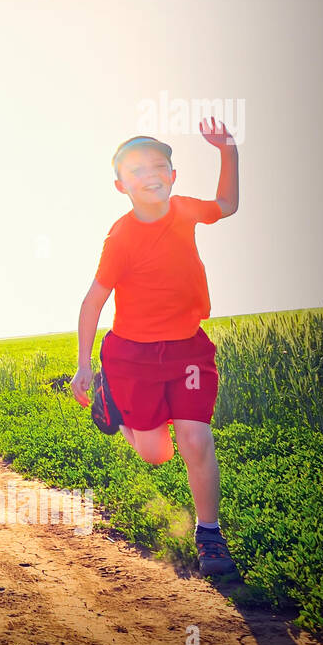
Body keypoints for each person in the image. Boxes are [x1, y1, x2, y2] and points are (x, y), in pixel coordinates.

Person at [69, 119, 240, 577]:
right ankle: (116, 403)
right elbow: (93, 302)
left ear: (173, 175)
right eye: (137, 169)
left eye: (159, 165)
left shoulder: (185, 210)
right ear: (120, 185)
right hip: (132, 358)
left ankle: (209, 535)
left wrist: (229, 150)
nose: (150, 174)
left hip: (188, 351)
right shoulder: (120, 238)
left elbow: (227, 204)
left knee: (195, 439)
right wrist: (84, 366)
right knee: (156, 454)